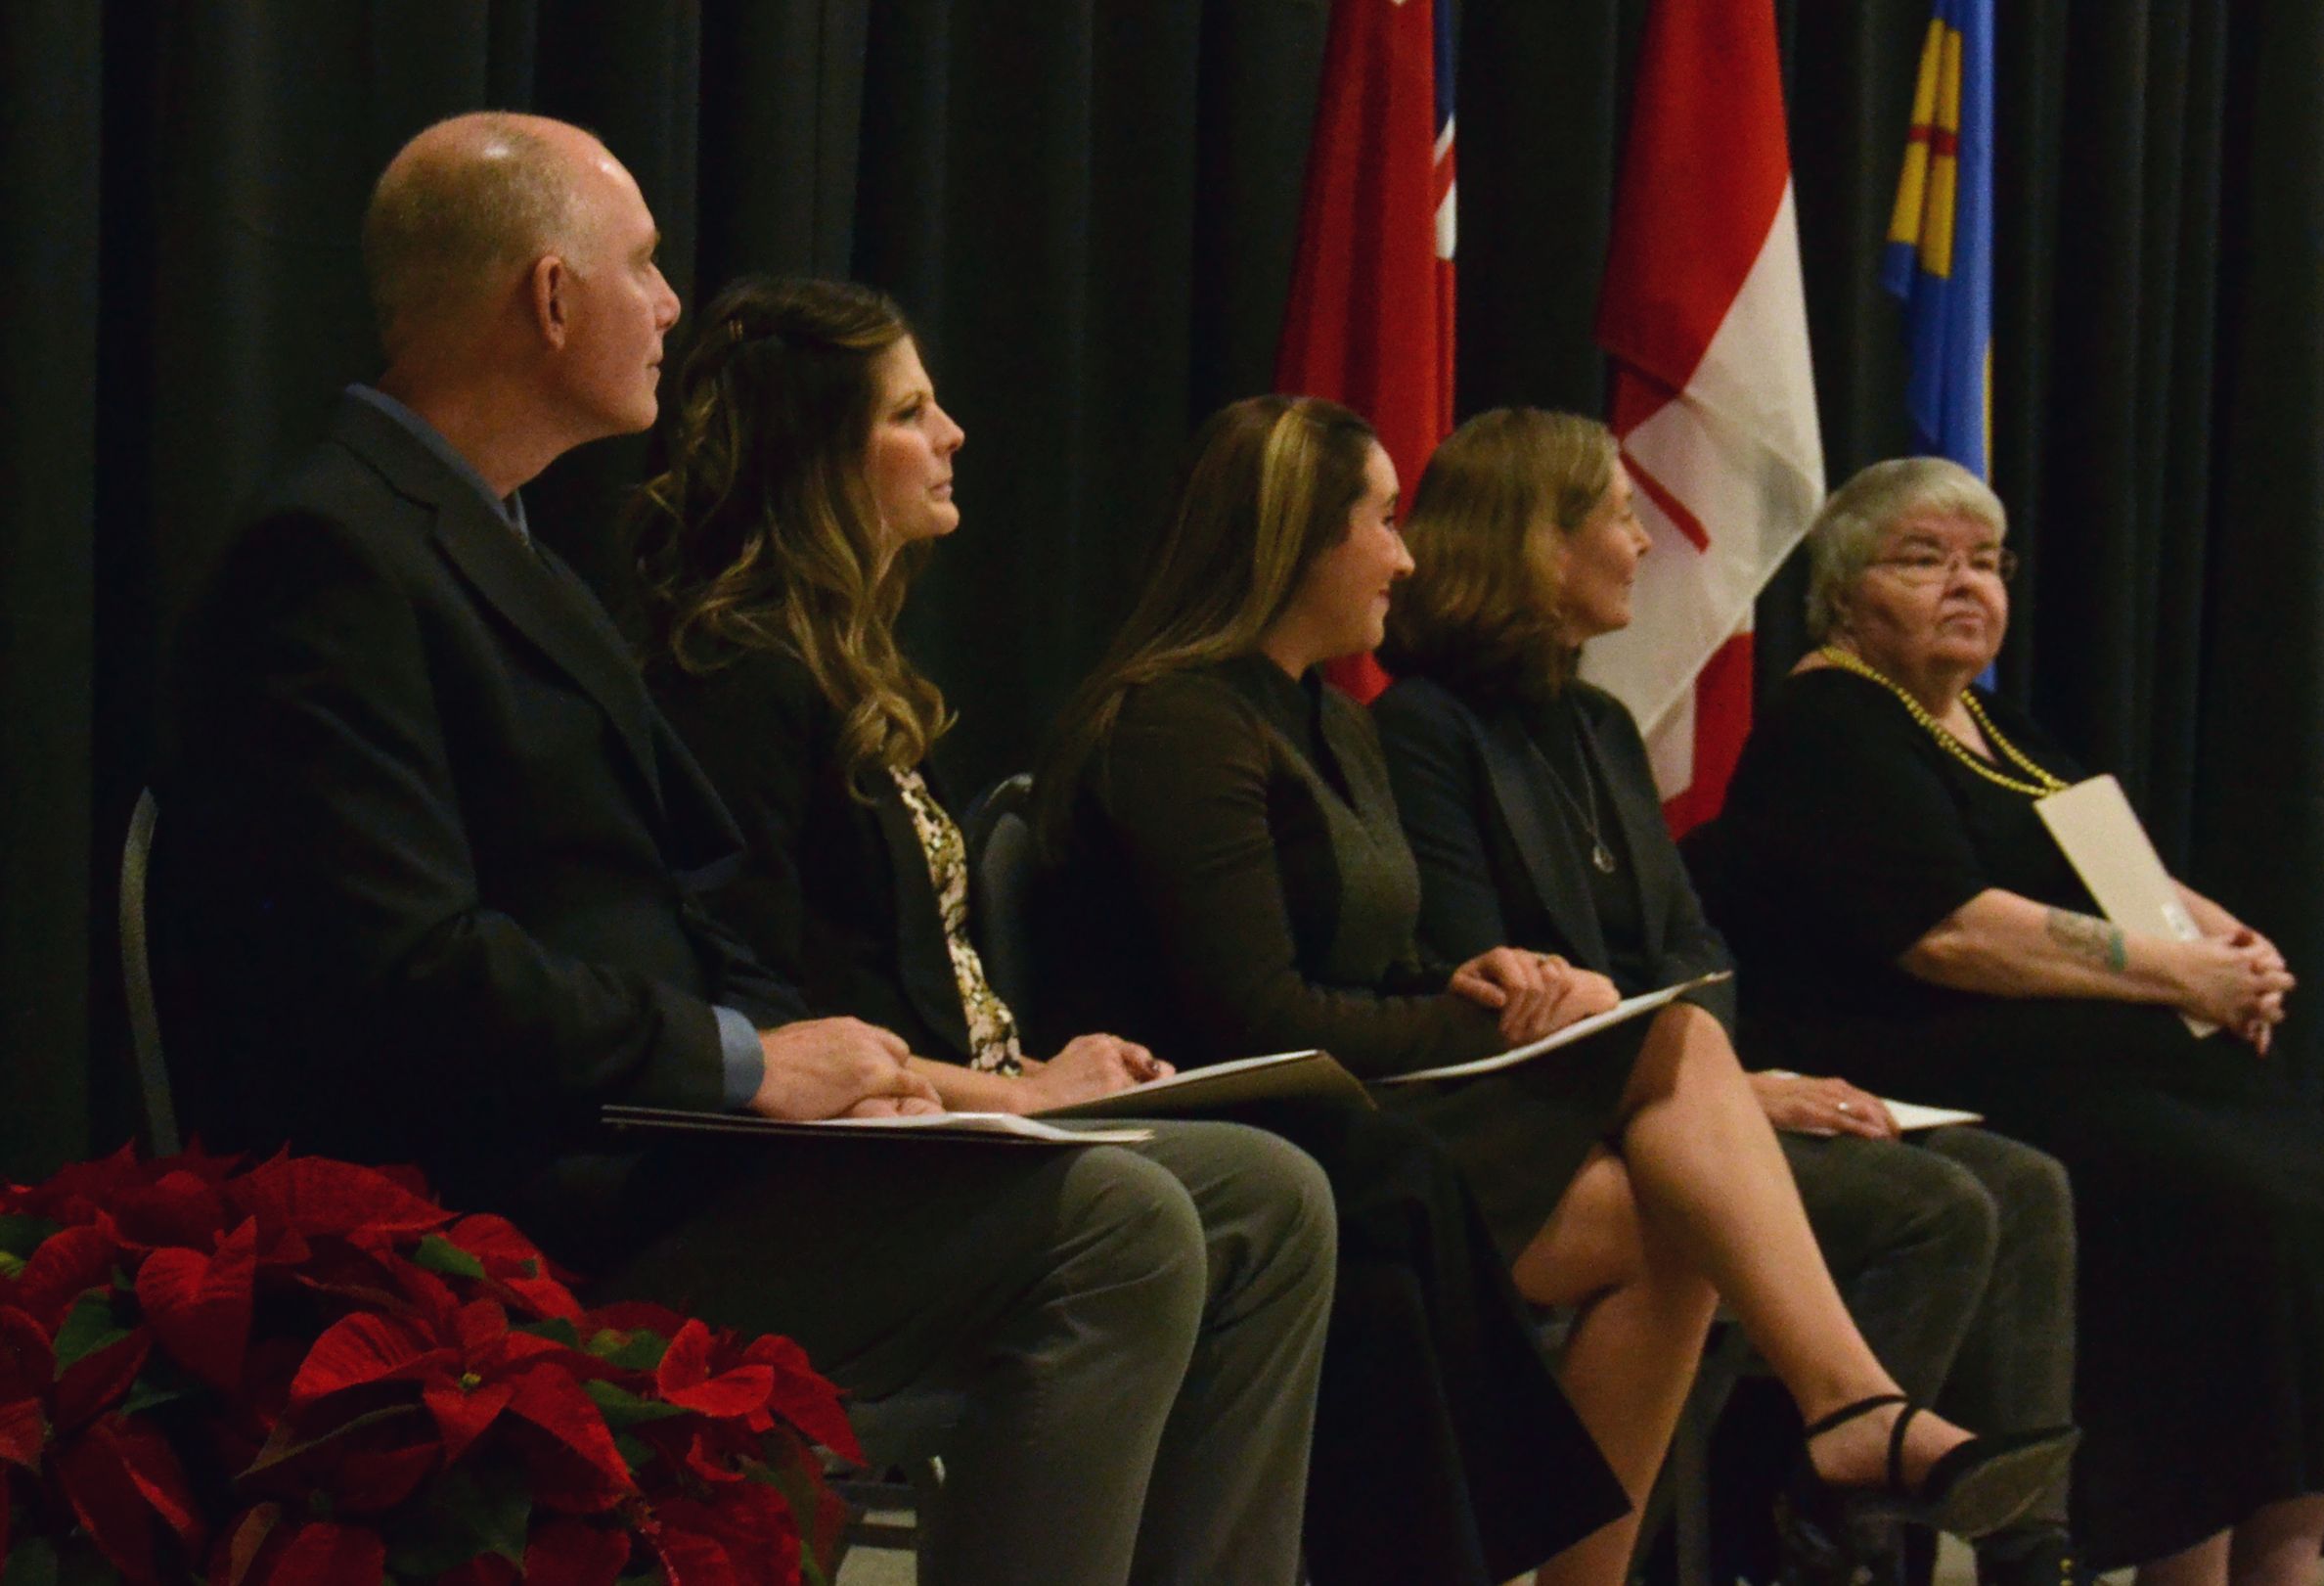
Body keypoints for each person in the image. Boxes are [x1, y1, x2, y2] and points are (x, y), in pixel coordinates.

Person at [156, 113, 1337, 1586]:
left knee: (1268, 1199)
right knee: (1121, 1225)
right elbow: (409, 969)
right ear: (549, 296)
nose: (668, 306)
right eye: (643, 266)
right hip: (519, 1218)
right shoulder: (334, 555)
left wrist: (850, 1077)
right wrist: (742, 1066)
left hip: (680, 1159)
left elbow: (687, 893)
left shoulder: (507, 550)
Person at [629, 274, 1626, 1586]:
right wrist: (1012, 1085)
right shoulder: (741, 680)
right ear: (823, 452)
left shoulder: (837, 666)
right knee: (1289, 1187)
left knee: (1311, 1194)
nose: (956, 435)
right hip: (845, 1167)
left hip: (968, 1118)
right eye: (913, 411)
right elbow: (770, 1013)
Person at [1031, 393, 2075, 1586]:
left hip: (1361, 1095)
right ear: (1299, 540)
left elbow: (1380, 955)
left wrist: (1468, 973)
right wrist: (1471, 1009)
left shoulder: (1329, 716)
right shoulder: (1188, 722)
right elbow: (1256, 1012)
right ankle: (1851, 1411)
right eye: (1380, 522)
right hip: (1248, 1117)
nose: (1406, 555)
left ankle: (1783, 1461)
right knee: (1674, 1059)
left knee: (1673, 1208)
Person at [1373, 408, 2082, 1586]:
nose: (1646, 542)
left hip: (1673, 1094)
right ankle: (1811, 1532)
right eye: (1615, 515)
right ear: (1538, 544)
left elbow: (1691, 942)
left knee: (2024, 1181)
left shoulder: (1597, 722)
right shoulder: (1423, 732)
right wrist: (1696, 1068)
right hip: (1552, 1117)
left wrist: (1718, 1069)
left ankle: (2022, 1549)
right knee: (1935, 1208)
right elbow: (1474, 963)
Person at [1694, 455, 2324, 1585]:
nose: (1967, 584)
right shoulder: (1834, 720)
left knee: (2320, 1192)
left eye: (1987, 563)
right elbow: (1946, 931)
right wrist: (2178, 977)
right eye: (1924, 558)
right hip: (1922, 1064)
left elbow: (2119, 865)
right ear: (1846, 590)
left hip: (2103, 1070)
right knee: (2222, 1207)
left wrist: (2231, 944)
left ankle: (2278, 1568)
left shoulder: (1995, 726)